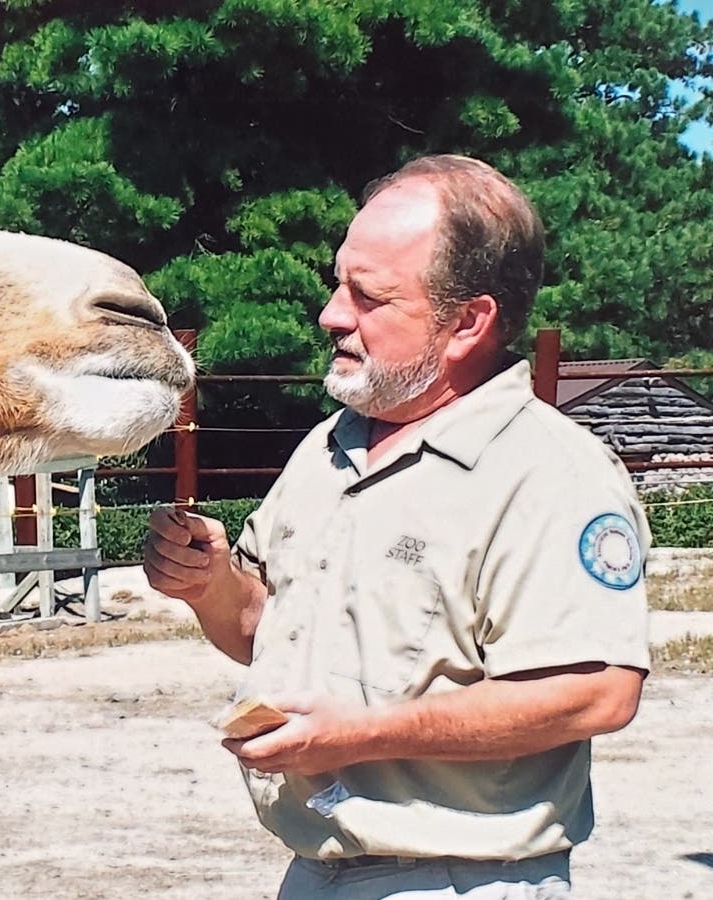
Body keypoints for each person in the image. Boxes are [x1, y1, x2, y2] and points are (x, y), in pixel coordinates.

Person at [144, 155, 650, 899]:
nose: (332, 314)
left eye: (368, 296)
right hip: (316, 869)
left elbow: (595, 692)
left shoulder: (550, 472)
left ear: (468, 322)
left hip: (464, 880)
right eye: (338, 282)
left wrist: (359, 734)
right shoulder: (328, 446)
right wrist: (210, 584)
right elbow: (264, 627)